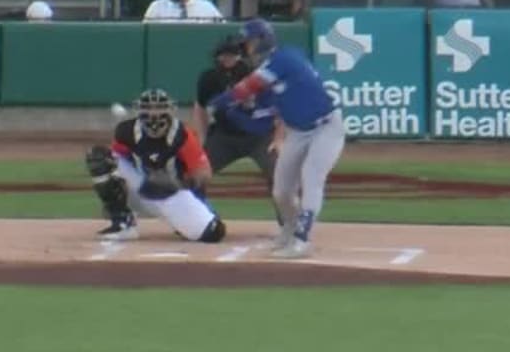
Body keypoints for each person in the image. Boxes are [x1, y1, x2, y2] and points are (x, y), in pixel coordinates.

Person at [209, 18, 343, 258]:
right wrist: (236, 111)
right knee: (281, 189)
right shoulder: (270, 71)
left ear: (262, 40)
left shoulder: (284, 58)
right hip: (298, 132)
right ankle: (289, 233)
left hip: (326, 128)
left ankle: (302, 240)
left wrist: (219, 103)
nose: (246, 48)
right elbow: (260, 115)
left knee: (312, 178)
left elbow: (246, 88)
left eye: (249, 43)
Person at [83, 88, 225, 243]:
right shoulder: (127, 132)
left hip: (174, 195)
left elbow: (204, 173)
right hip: (143, 188)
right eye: (149, 109)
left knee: (213, 232)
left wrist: (177, 183)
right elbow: (116, 163)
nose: (154, 114)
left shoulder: (181, 135)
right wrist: (113, 197)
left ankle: (183, 220)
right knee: (99, 158)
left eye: (158, 108)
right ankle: (123, 222)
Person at [192, 34, 278, 197]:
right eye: (224, 55)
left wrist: (277, 137)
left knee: (278, 175)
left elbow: (276, 107)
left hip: (258, 137)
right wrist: (201, 138)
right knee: (196, 173)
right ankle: (198, 217)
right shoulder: (209, 78)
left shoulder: (257, 75)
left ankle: (289, 219)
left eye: (232, 55)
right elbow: (200, 107)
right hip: (224, 136)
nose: (227, 59)